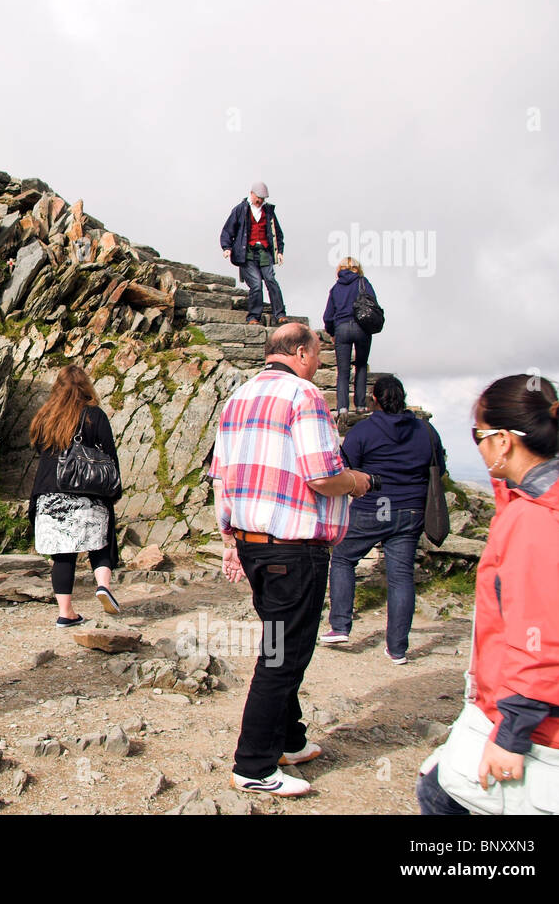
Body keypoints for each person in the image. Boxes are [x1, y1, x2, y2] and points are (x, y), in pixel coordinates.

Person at [209, 323, 371, 796]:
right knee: (283, 655)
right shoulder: (304, 396)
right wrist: (357, 482)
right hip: (293, 549)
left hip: (252, 542)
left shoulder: (237, 397)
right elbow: (322, 476)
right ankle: (254, 765)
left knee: (282, 644)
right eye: (317, 353)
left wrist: (227, 538)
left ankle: (290, 741)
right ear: (301, 352)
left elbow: (221, 478)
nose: (319, 363)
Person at [417, 374, 559, 815]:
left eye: (478, 435)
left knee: (440, 794)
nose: (476, 445)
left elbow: (540, 635)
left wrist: (512, 735)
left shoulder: (537, 524)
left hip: (550, 728)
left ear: (504, 442)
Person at [322, 375, 444, 662]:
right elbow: (439, 467)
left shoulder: (364, 431)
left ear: (374, 399)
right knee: (401, 578)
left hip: (373, 507)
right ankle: (398, 649)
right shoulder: (426, 431)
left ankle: (340, 625)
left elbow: (344, 468)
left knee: (342, 557)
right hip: (411, 510)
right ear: (402, 397)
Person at [28, 365, 122, 626]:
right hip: (88, 493)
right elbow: (110, 456)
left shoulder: (45, 417)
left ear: (57, 387)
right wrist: (114, 489)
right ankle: (103, 586)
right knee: (100, 543)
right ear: (86, 386)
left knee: (62, 554)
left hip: (50, 495)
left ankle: (65, 613)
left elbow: (39, 449)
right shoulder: (95, 415)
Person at [220, 181, 288, 327]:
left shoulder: (269, 212)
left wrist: (280, 251)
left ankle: (280, 314)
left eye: (263, 199)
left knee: (271, 280)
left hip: (264, 252)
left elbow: (277, 233)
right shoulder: (240, 209)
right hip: (247, 253)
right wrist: (227, 247)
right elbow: (228, 230)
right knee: (256, 284)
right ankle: (253, 316)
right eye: (258, 197)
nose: (260, 201)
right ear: (251, 194)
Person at [322, 257, 376, 417]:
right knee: (361, 365)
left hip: (342, 328)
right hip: (362, 327)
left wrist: (331, 332)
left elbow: (328, 315)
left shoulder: (335, 288)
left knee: (343, 371)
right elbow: (373, 304)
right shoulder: (363, 283)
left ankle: (342, 408)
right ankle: (360, 405)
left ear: (340, 268)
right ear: (357, 269)